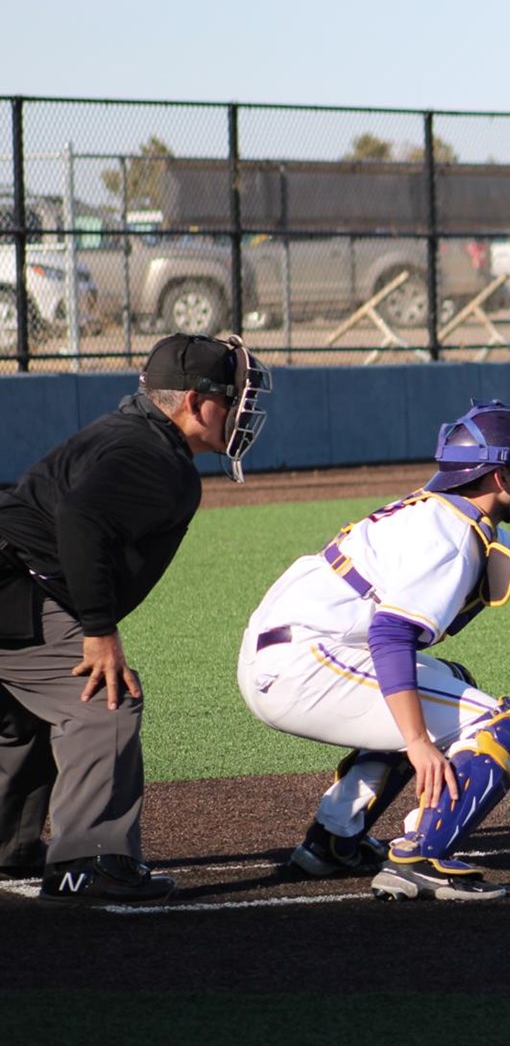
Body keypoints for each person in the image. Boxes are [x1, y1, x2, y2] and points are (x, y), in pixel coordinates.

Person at [238, 400, 510, 902]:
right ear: (497, 475)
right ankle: (421, 858)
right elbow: (390, 636)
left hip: (294, 653)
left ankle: (333, 842)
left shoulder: (444, 511)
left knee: (448, 679)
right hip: (307, 665)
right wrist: (418, 741)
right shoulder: (445, 537)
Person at [0, 333, 271, 904]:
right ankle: (90, 861)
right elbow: (80, 519)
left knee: (25, 719)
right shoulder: (154, 458)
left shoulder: (127, 433)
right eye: (234, 397)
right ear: (197, 404)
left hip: (15, 582)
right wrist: (98, 631)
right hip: (14, 587)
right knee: (104, 702)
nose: (244, 410)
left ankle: (9, 848)